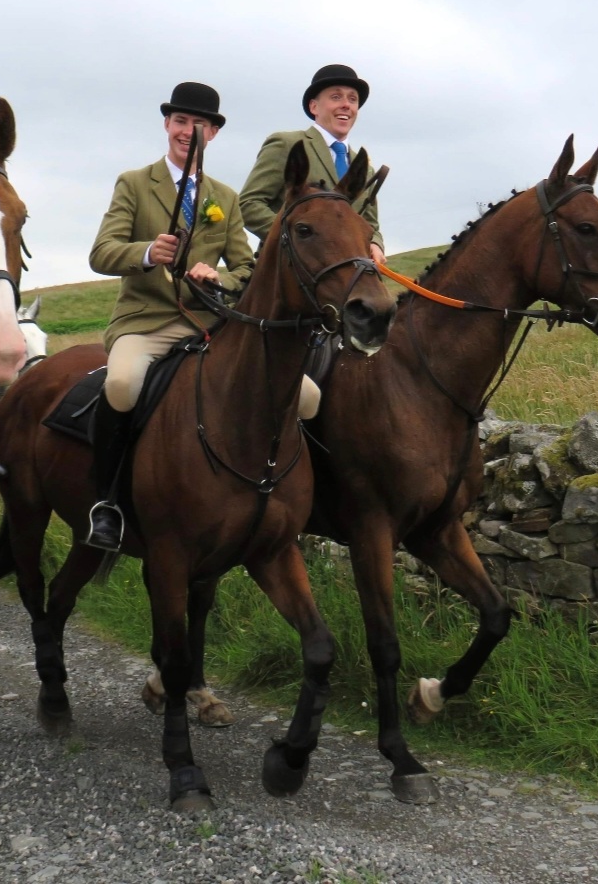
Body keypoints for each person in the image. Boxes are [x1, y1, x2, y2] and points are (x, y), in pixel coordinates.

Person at [82, 82, 256, 552]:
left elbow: (247, 269)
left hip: (210, 322)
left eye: (199, 124)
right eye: (180, 122)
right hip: (147, 320)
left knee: (302, 393)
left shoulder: (227, 197)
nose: (188, 131)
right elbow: (101, 252)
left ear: (213, 133)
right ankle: (108, 503)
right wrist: (146, 252)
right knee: (120, 384)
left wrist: (218, 276)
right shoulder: (134, 183)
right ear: (167, 125)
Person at [238, 63, 386, 264]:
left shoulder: (365, 169)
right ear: (313, 106)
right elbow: (249, 204)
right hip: (287, 273)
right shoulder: (286, 144)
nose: (346, 105)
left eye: (353, 99)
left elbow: (370, 223)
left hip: (346, 278)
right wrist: (294, 238)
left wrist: (375, 243)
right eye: (336, 97)